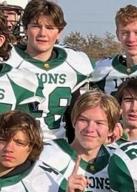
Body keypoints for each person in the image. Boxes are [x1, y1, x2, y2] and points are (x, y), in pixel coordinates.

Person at [4, 0, 92, 139]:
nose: (42, 33)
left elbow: (78, 115)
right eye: (36, 26)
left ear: (59, 32)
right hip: (15, 145)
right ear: (26, 28)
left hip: (56, 146)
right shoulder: (7, 59)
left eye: (50, 28)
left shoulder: (75, 63)